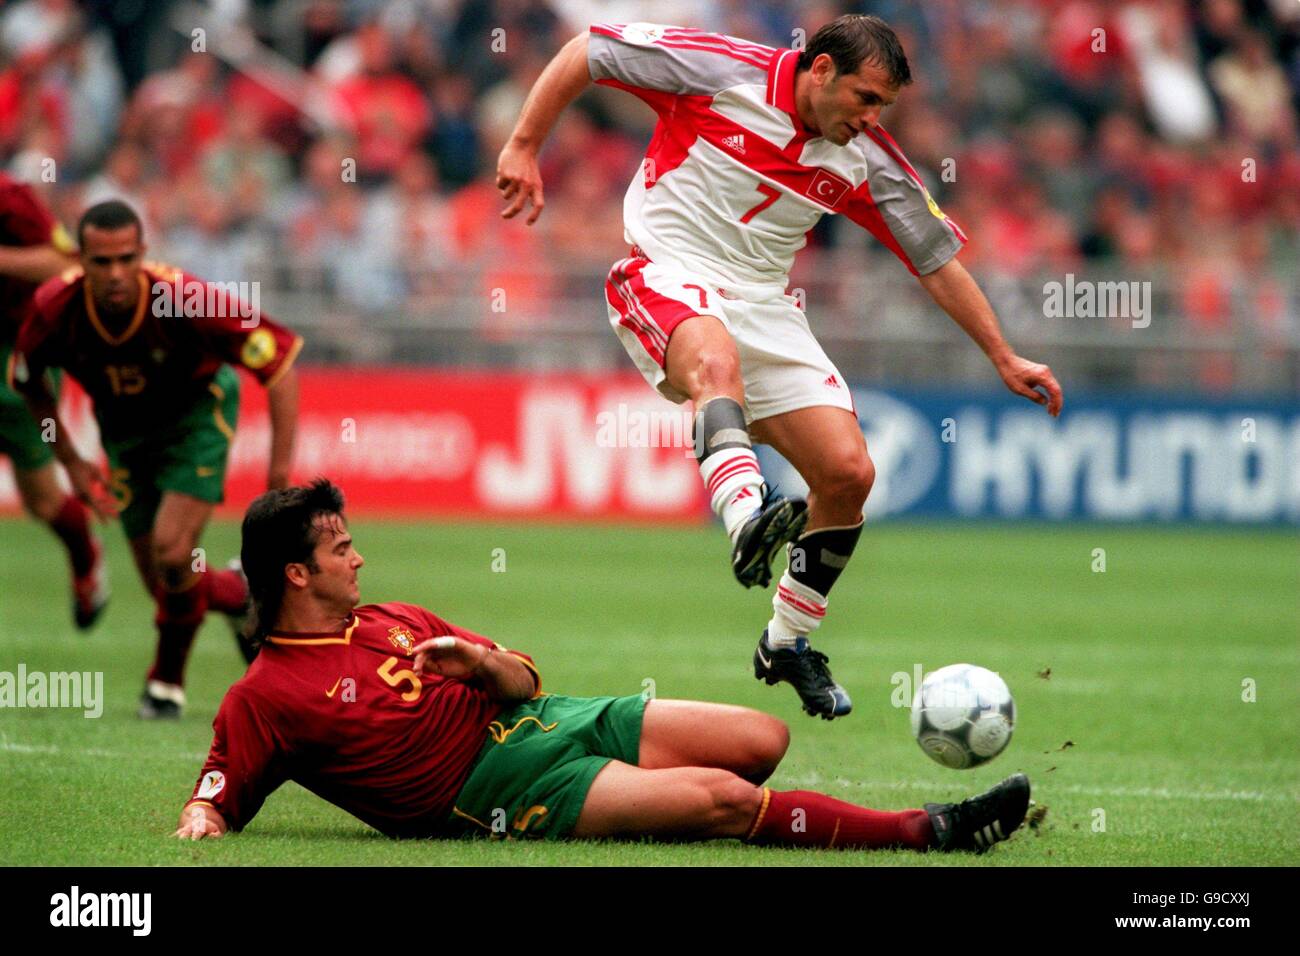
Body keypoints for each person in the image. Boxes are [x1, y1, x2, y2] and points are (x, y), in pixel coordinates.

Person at [495, 16, 1064, 720]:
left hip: (765, 306)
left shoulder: (869, 160)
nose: (870, 116)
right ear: (818, 69)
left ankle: (786, 642)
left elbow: (934, 261)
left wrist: (1002, 354)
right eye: (864, 97)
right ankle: (746, 520)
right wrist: (524, 145)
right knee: (713, 361)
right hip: (667, 271)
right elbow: (589, 51)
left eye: (882, 106)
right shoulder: (716, 70)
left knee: (848, 474)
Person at [174, 478, 1031, 853]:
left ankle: (642, 784)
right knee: (730, 801)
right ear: (297, 574)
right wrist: (202, 826)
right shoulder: (266, 696)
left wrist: (481, 663)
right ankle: (932, 831)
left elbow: (526, 682)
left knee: (761, 738)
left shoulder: (391, 617)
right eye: (341, 549)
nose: (358, 559)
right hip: (490, 793)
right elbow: (216, 798)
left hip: (541, 720)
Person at [6, 199, 302, 719]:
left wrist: (278, 479)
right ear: (82, 260)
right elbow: (29, 383)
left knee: (171, 552)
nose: (116, 274)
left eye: (126, 259)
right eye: (102, 262)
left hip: (196, 421)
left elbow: (277, 360)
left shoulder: (182, 298)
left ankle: (164, 685)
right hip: (123, 436)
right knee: (163, 583)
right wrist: (71, 462)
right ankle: (238, 593)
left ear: (143, 253)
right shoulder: (55, 309)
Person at [0, 172, 109, 628]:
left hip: (16, 358)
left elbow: (66, 264)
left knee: (43, 502)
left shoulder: (12, 197)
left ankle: (85, 557)